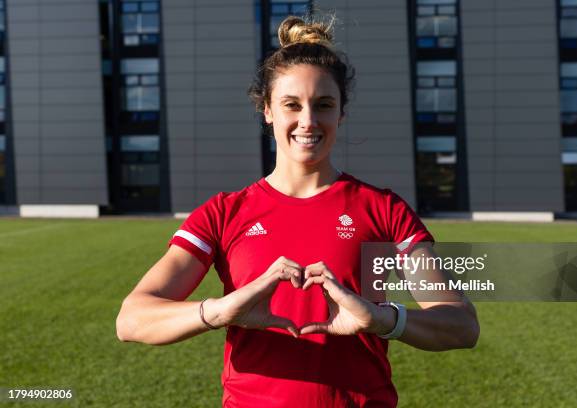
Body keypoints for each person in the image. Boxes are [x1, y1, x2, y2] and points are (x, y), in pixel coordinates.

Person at [116, 15, 479, 407]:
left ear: (341, 112)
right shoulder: (223, 213)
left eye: (323, 105)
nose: (308, 121)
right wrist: (220, 312)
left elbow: (460, 324)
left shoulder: (383, 209)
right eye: (291, 105)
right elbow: (132, 319)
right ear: (268, 111)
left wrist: (384, 319)